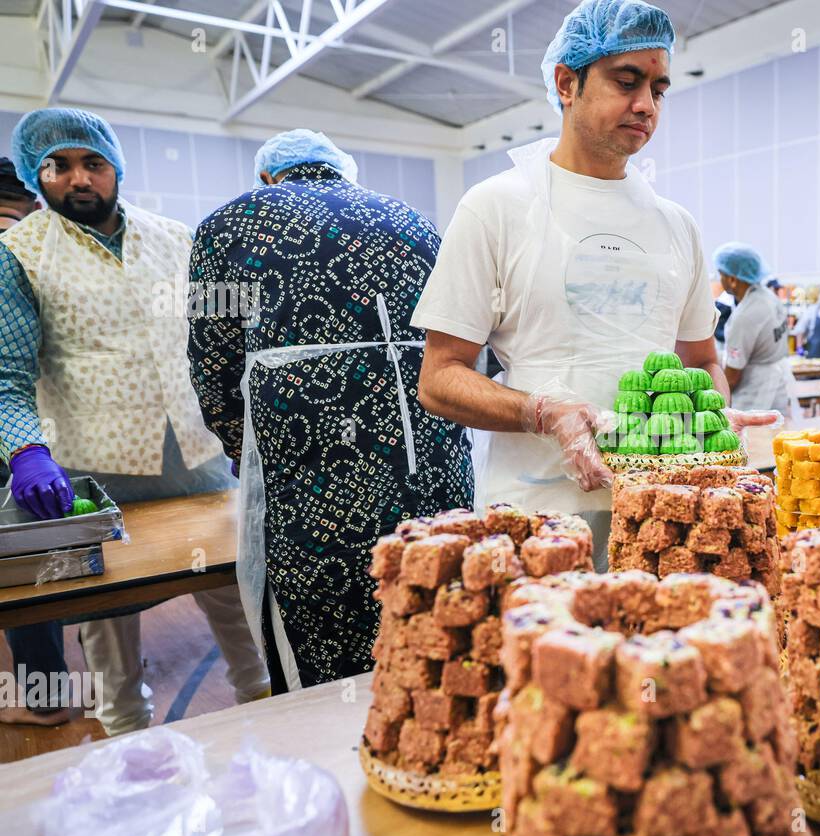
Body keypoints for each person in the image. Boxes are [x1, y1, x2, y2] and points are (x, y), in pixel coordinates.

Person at [412, 0, 777, 562]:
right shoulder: (497, 207)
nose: (645, 105)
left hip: (661, 516)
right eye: (626, 81)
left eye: (658, 89)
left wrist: (704, 413)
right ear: (567, 82)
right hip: (537, 519)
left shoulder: (676, 225)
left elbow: (703, 361)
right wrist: (545, 413)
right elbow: (439, 379)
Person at [0, 108, 269, 734]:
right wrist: (25, 454)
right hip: (90, 470)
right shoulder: (18, 255)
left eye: (93, 163)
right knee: (108, 635)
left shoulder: (178, 238)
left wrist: (242, 425)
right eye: (58, 166)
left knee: (237, 602)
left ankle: (269, 723)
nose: (78, 179)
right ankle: (130, 748)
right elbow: (6, 378)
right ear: (36, 175)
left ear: (117, 169)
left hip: (199, 457)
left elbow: (220, 341)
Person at [187, 130, 472, 692]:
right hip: (434, 472)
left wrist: (246, 453)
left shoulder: (224, 226)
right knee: (432, 619)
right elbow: (464, 351)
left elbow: (211, 365)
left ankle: (333, 758)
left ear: (269, 178)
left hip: (314, 489)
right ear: (345, 171)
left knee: (325, 640)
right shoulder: (416, 222)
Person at [0, 154, 65, 728]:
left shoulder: (23, 252)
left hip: (27, 436)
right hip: (34, 432)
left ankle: (43, 699)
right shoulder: (38, 242)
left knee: (22, 559)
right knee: (29, 555)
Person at [715, 242, 794, 416]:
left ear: (732, 280)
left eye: (721, 275)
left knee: (754, 441)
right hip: (776, 387)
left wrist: (715, 404)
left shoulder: (745, 316)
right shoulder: (768, 297)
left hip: (755, 395)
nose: (719, 281)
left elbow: (733, 376)